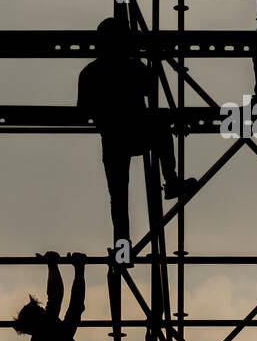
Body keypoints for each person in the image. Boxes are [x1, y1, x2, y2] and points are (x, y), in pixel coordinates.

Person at [78, 18, 199, 255]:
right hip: (135, 133)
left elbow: (83, 111)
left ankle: (122, 245)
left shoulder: (91, 72)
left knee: (119, 196)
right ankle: (171, 180)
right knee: (161, 129)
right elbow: (152, 88)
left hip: (113, 139)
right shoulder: (134, 67)